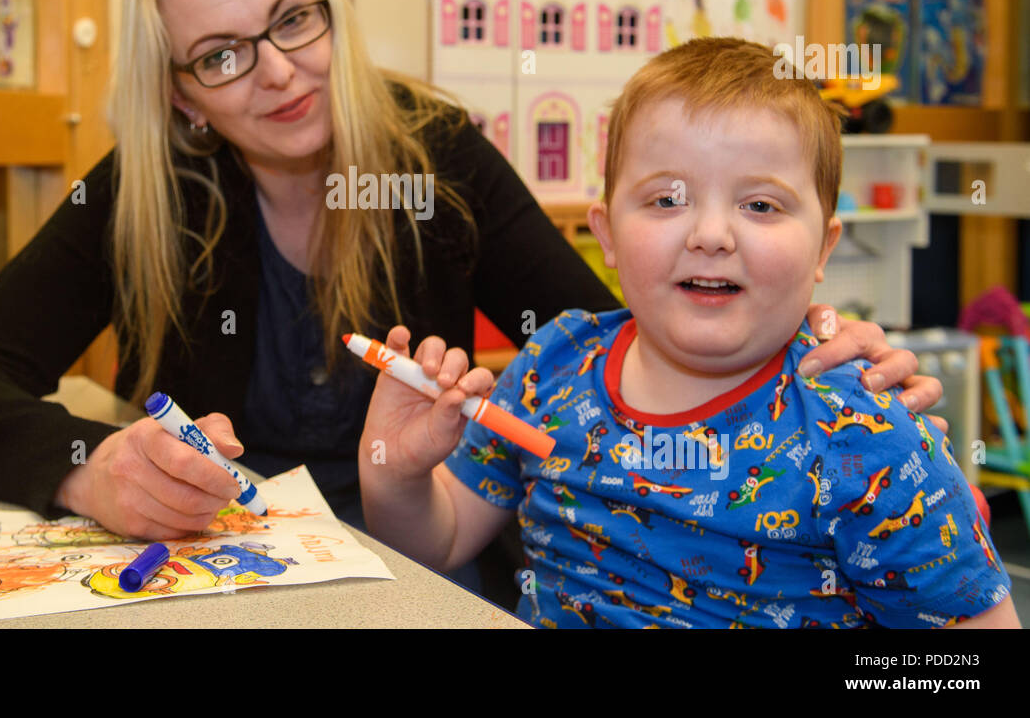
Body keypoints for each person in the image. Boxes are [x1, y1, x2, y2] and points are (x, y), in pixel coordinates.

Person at [0, 0, 938, 590]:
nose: (276, 71)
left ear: (334, 14)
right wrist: (86, 464)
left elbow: (625, 331)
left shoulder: (437, 154)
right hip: (216, 573)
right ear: (181, 96)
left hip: (427, 565)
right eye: (219, 54)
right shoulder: (146, 192)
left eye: (293, 19)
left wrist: (807, 352)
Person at [359, 37, 1018, 628]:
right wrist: (396, 476)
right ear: (608, 234)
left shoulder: (867, 434)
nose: (709, 234)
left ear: (824, 247)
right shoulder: (552, 363)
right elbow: (439, 545)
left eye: (760, 205)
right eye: (667, 199)